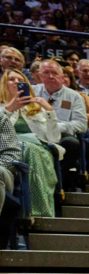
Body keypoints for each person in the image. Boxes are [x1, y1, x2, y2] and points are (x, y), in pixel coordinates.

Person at [0, 69, 59, 218]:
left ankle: (39, 210)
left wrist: (50, 111)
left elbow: (53, 138)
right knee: (25, 148)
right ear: (3, 84)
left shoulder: (35, 108)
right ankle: (32, 211)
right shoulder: (1, 108)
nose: (17, 83)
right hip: (6, 149)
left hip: (37, 148)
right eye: (12, 79)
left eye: (20, 81)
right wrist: (9, 109)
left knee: (29, 149)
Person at [33, 58, 84, 191]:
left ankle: (57, 184)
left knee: (72, 143)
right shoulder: (32, 91)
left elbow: (81, 124)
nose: (50, 76)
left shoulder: (74, 96)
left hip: (62, 136)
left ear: (62, 77)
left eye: (54, 73)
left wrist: (56, 127)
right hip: (35, 134)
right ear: (39, 75)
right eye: (46, 72)